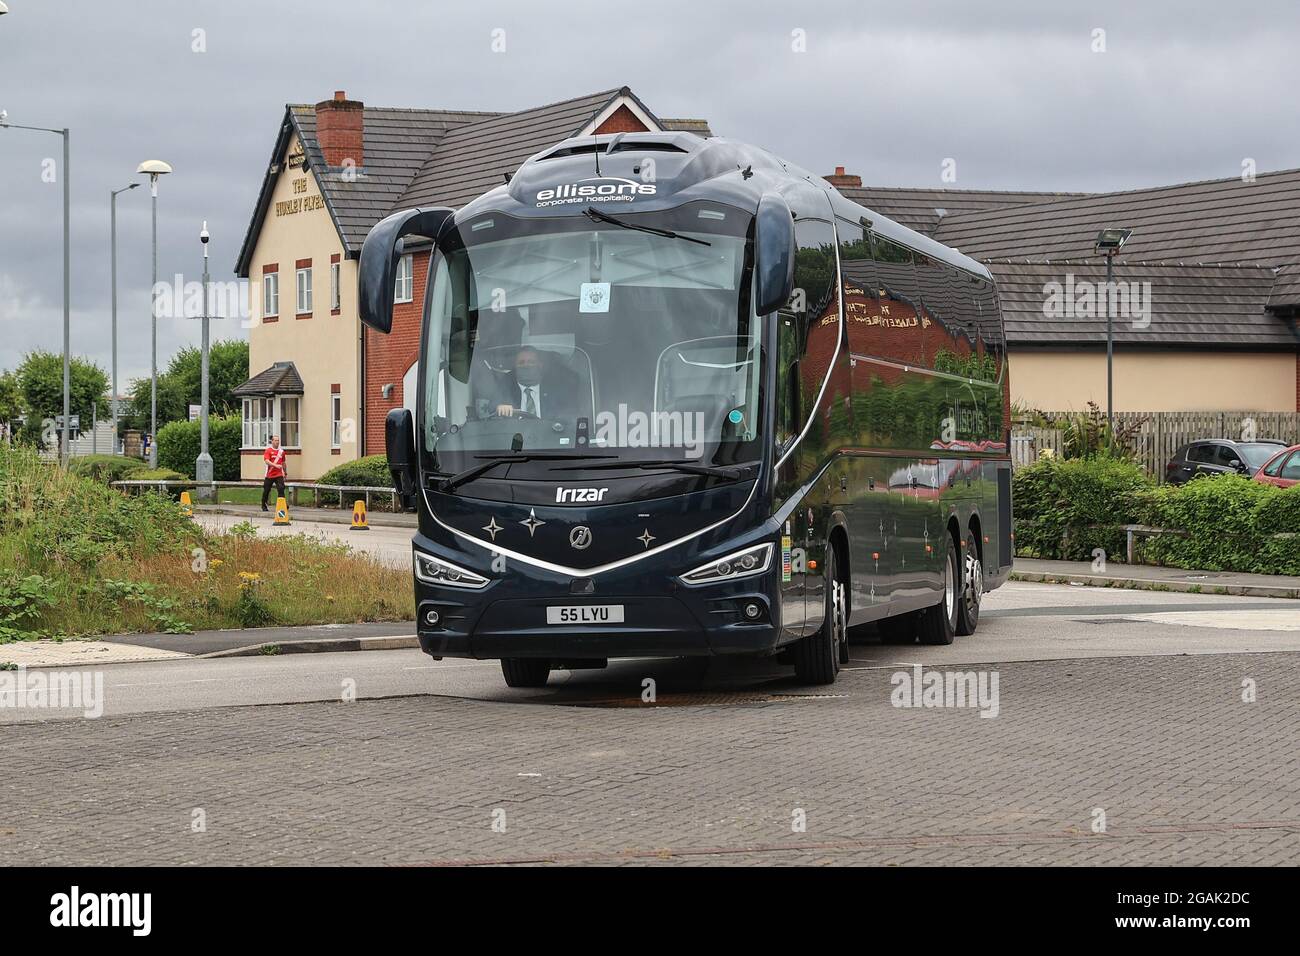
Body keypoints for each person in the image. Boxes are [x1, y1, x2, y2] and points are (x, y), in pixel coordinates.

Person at [493, 345, 581, 422]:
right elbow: (489, 411)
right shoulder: (505, 390)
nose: (526, 366)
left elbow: (569, 416)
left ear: (540, 365)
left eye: (531, 362)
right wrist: (499, 408)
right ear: (515, 367)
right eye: (521, 362)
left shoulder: (557, 392)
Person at [261, 434, 286, 512]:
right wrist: (275, 465)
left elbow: (283, 463)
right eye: (275, 440)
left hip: (279, 474)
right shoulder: (268, 450)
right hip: (270, 474)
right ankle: (263, 504)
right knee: (266, 490)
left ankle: (282, 505)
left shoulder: (281, 452)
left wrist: (285, 472)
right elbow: (266, 461)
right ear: (272, 441)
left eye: (278, 440)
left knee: (281, 489)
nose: (277, 442)